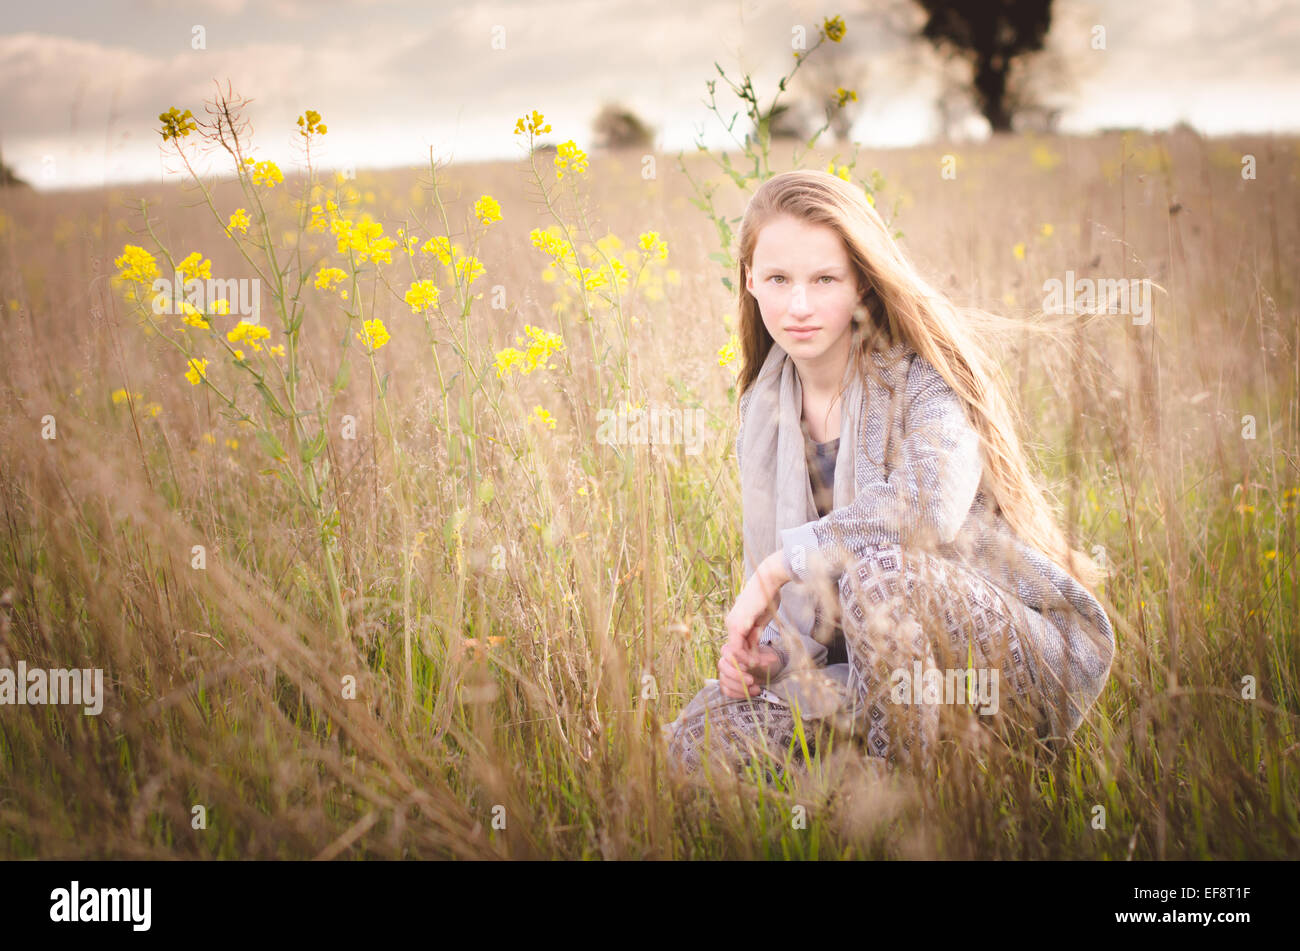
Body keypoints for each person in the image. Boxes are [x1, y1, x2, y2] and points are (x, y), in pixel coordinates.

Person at [663, 169, 1116, 780]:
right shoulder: (762, 410)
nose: (799, 305)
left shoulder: (921, 381)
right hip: (868, 676)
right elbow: (818, 602)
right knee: (691, 746)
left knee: (879, 576)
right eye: (777, 279)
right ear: (749, 280)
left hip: (1010, 667)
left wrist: (779, 566)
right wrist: (778, 657)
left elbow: (925, 508)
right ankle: (861, 787)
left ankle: (914, 803)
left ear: (861, 285)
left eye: (825, 279)